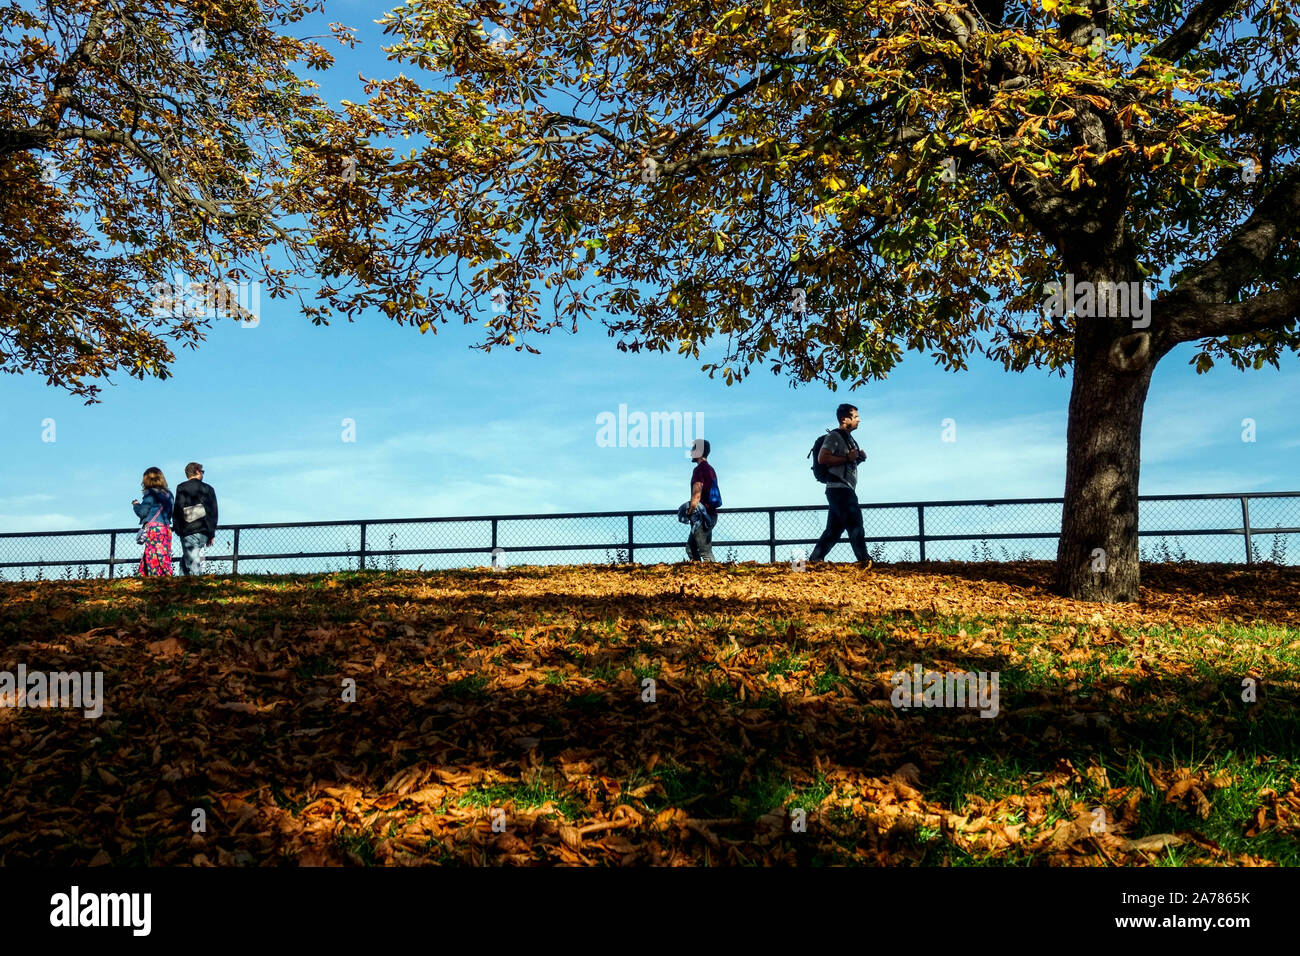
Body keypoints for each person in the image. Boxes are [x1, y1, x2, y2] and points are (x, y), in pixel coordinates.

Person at [809, 404, 872, 567]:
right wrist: (848, 458)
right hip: (839, 489)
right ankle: (865, 561)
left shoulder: (849, 439)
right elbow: (822, 458)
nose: (859, 419)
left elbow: (846, 463)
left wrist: (858, 458)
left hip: (843, 488)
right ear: (845, 419)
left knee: (834, 530)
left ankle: (814, 560)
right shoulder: (834, 437)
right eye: (856, 416)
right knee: (855, 524)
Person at [173, 462, 218, 575]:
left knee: (191, 560)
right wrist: (211, 533)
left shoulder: (182, 487)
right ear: (197, 471)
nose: (203, 474)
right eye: (202, 472)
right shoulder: (209, 489)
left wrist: (177, 528)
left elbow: (178, 509)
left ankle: (194, 584)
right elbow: (214, 512)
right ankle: (186, 583)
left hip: (188, 529)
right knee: (190, 558)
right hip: (204, 529)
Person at [133, 467, 174, 576]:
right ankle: (162, 576)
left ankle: (155, 577)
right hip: (166, 529)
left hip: (154, 529)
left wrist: (136, 505)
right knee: (163, 554)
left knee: (153, 555)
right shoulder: (169, 494)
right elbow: (172, 512)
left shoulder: (150, 493)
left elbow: (142, 512)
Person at [684, 439, 719, 562]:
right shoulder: (710, 469)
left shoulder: (699, 470)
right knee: (691, 548)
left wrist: (689, 511)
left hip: (702, 517)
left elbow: (696, 495)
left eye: (693, 449)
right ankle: (702, 576)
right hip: (711, 514)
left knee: (704, 551)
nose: (691, 452)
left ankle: (715, 575)